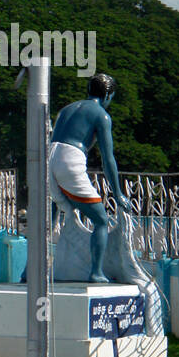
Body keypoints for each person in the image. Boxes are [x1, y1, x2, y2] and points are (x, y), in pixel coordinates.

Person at [48, 73, 131, 283]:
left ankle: (26, 272)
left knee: (50, 218)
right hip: (69, 160)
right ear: (108, 95)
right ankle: (95, 273)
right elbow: (108, 159)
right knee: (100, 220)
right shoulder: (101, 115)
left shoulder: (67, 109)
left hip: (49, 157)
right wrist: (118, 194)